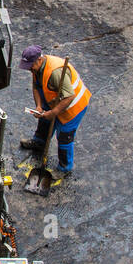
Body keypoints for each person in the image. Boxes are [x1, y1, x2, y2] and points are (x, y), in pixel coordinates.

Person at [18, 45, 91, 175]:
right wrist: (39, 107)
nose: (29, 69)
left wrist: (53, 113)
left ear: (39, 60)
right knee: (44, 119)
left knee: (64, 137)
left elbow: (69, 96)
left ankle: (64, 168)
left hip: (73, 106)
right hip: (54, 100)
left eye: (30, 66)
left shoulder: (55, 72)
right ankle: (40, 142)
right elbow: (36, 88)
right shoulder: (36, 69)